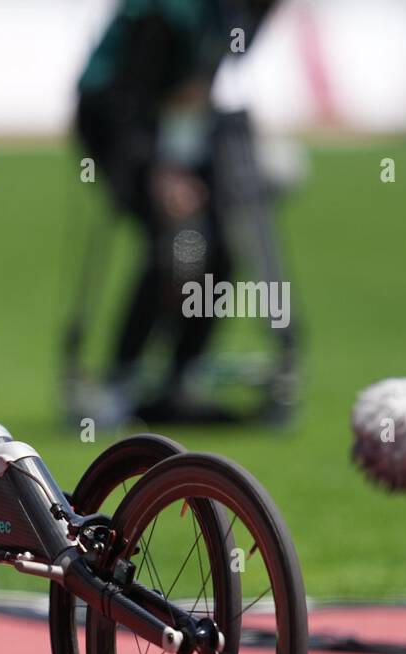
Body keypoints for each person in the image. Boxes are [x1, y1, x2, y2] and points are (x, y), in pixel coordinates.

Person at [76, 0, 277, 423]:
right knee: (179, 245)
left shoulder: (241, 12)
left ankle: (182, 378)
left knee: (219, 247)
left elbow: (201, 78)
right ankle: (119, 382)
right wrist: (157, 169)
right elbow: (127, 96)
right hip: (119, 122)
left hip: (178, 120)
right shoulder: (169, 12)